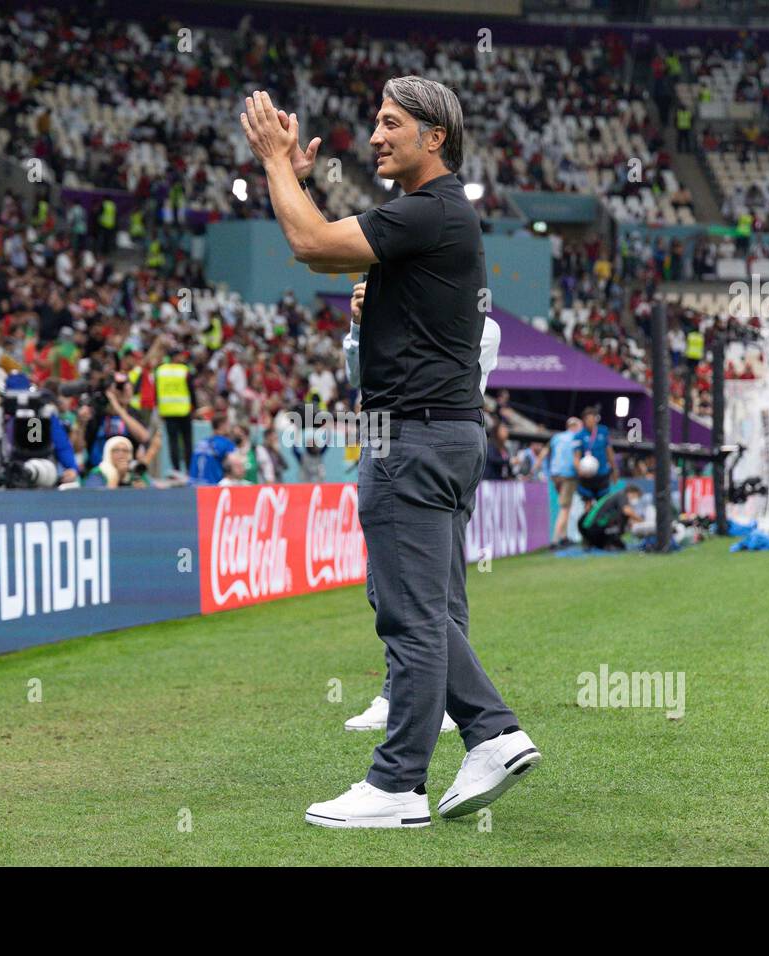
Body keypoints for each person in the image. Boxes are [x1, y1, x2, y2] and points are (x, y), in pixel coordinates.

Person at [241, 77, 538, 829]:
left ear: (434, 137)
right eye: (375, 121)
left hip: (413, 437)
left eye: (390, 122)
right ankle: (495, 735)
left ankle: (398, 784)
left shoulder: (430, 211)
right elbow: (338, 258)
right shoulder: (436, 217)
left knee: (407, 615)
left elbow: (312, 245)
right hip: (434, 432)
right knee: (423, 609)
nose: (374, 135)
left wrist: (277, 163)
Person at [342, 274, 500, 736]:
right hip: (385, 441)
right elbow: (358, 376)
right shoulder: (395, 316)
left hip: (432, 445)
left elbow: (435, 366)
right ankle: (400, 690)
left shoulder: (477, 324)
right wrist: (360, 327)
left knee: (439, 584)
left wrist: (390, 317)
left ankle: (455, 701)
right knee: (385, 586)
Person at [545, 415, 583, 548]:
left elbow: (546, 453)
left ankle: (564, 537)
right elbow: (576, 458)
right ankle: (555, 540)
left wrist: (541, 470)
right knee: (565, 508)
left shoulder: (557, 437)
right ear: (576, 426)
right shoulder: (576, 438)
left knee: (566, 505)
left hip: (555, 475)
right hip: (568, 475)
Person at [573, 404, 618, 502]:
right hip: (587, 476)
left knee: (603, 503)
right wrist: (579, 470)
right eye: (587, 419)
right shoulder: (579, 436)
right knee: (587, 505)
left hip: (602, 474)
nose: (589, 421)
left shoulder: (603, 431)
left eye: (591, 418)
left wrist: (614, 469)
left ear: (596, 419)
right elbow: (576, 456)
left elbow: (609, 452)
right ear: (584, 420)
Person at [578, 484, 643, 550]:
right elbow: (627, 511)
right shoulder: (622, 495)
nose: (635, 499)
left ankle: (594, 542)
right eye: (636, 496)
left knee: (620, 544)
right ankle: (608, 542)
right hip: (594, 528)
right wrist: (642, 521)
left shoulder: (614, 496)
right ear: (631, 492)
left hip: (586, 527)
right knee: (620, 545)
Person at [188, 412, 236, 485]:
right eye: (228, 424)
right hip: (212, 487)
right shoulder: (226, 444)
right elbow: (235, 465)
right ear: (222, 425)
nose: (230, 428)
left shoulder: (200, 443)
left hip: (194, 486)